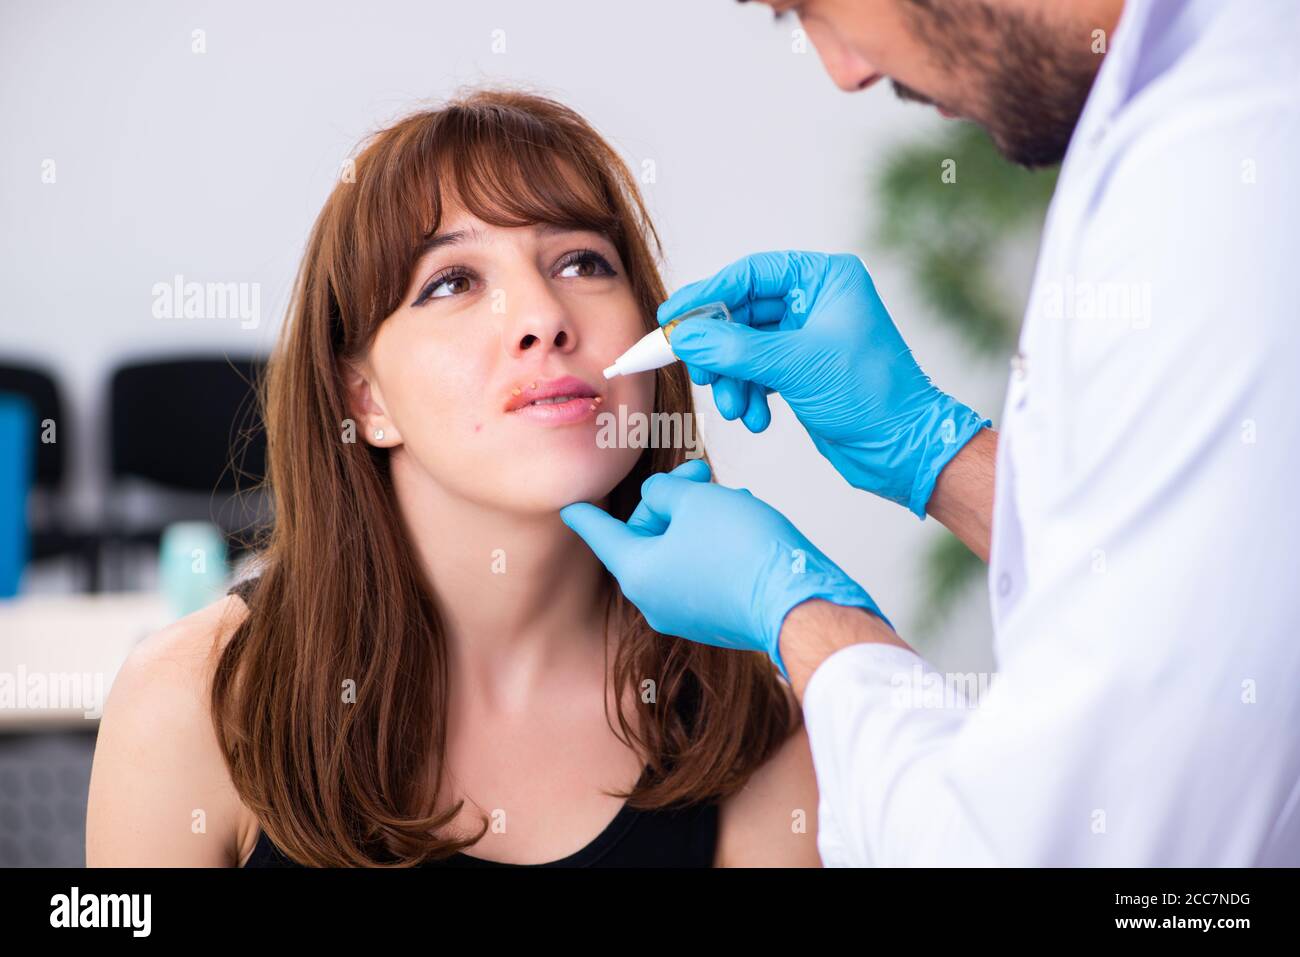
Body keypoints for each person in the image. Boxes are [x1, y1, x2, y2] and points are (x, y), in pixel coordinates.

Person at [561, 0, 1300, 864]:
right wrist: (934, 450)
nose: (845, 71)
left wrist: (797, 610)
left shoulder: (1232, 175)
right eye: (451, 282)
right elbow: (1199, 579)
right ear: (361, 395)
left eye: (809, 6)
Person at [85, 90, 822, 868]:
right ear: (364, 400)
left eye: (582, 261)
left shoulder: (752, 722)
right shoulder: (190, 702)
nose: (542, 314)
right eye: (452, 281)